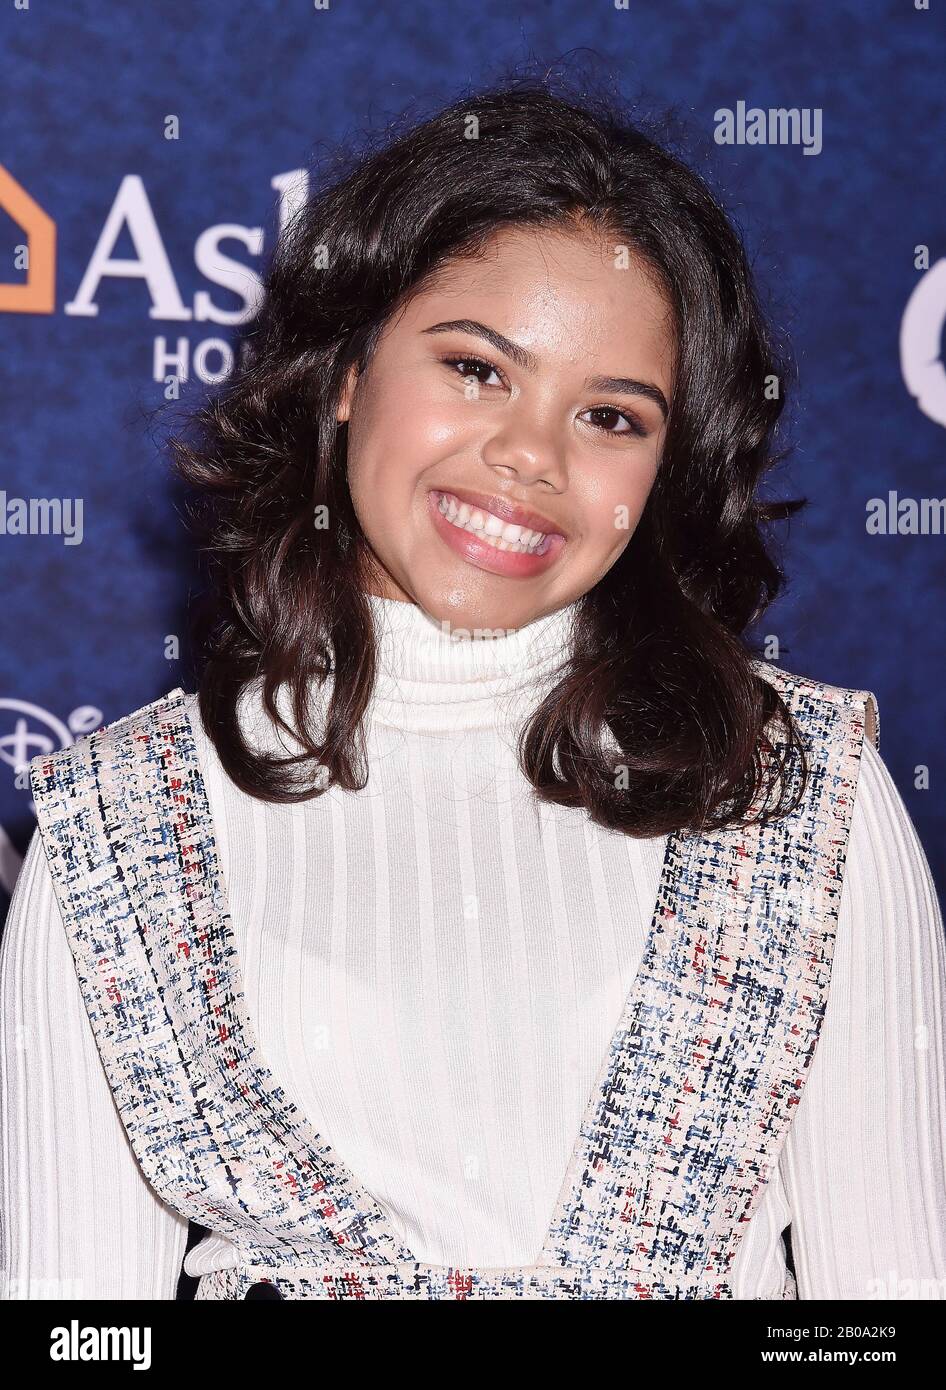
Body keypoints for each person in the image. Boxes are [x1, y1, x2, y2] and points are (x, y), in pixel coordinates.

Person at [2, 80, 944, 1302]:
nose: (530, 457)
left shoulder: (797, 792)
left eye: (609, 415)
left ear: (663, 470)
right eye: (477, 369)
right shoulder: (117, 828)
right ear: (346, 372)